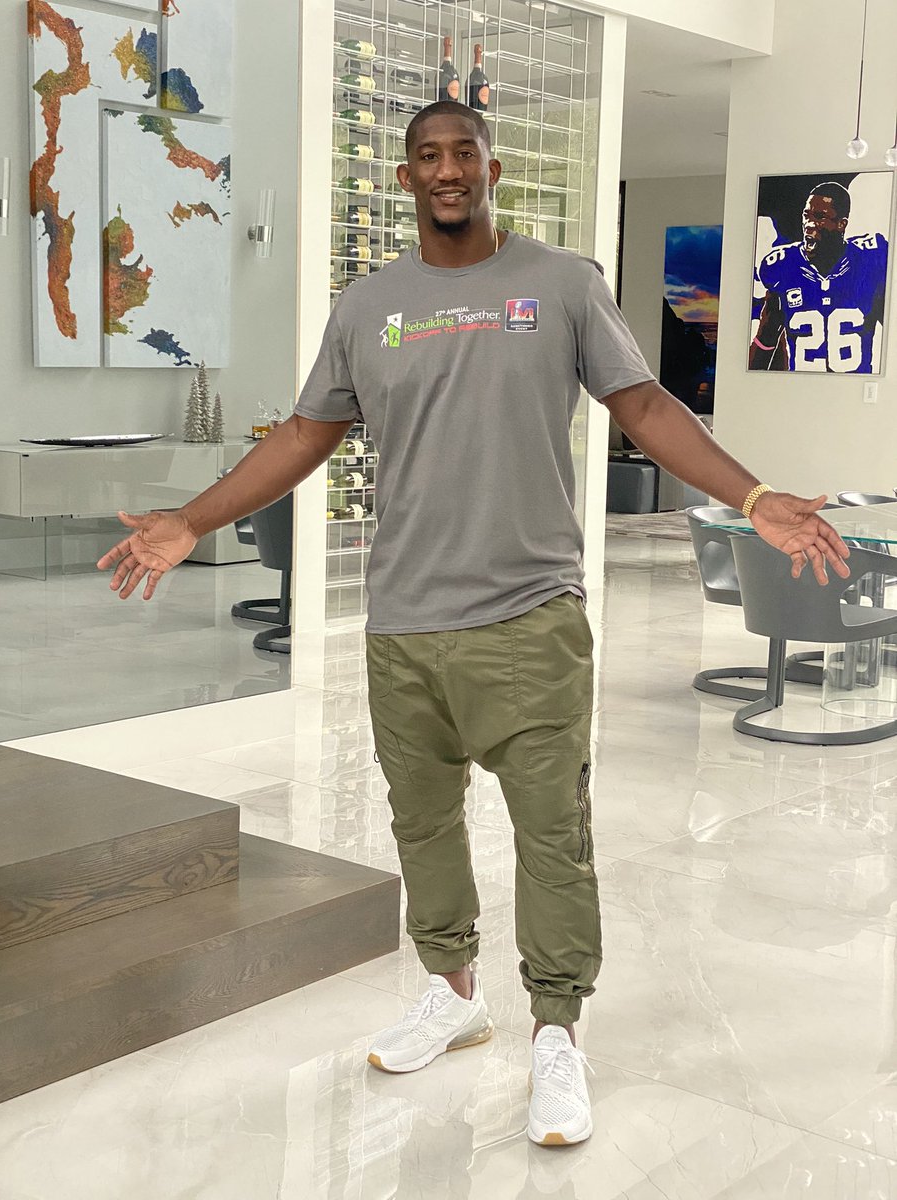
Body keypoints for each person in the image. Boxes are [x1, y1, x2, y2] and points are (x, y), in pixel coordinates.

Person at [98, 102, 851, 1147]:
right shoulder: (368, 305)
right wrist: (192, 518)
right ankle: (451, 994)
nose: (447, 170)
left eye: (464, 154)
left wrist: (754, 496)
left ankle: (558, 1032)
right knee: (422, 824)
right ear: (405, 178)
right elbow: (307, 434)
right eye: (428, 157)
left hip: (528, 620)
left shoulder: (564, 284)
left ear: (492, 171)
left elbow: (645, 407)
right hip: (403, 623)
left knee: (552, 837)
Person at [749, 180, 888, 373]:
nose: (809, 224)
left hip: (857, 387)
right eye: (806, 215)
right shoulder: (783, 266)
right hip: (800, 386)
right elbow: (766, 340)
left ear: (841, 224)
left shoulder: (868, 261)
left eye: (820, 217)